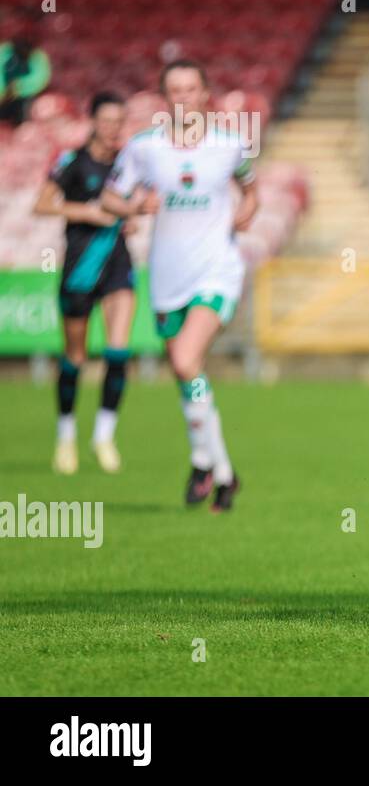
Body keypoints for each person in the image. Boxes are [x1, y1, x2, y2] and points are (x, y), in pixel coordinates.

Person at [100, 61, 259, 512]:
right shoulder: (144, 148)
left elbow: (250, 186)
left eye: (191, 88)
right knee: (185, 372)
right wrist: (133, 207)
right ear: (164, 97)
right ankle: (218, 469)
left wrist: (249, 207)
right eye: (175, 90)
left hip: (216, 269)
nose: (183, 97)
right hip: (167, 275)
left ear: (206, 93)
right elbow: (111, 196)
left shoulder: (229, 145)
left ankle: (207, 465)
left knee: (186, 358)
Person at [33, 92, 135, 475]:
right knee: (75, 357)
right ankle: (65, 437)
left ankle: (104, 436)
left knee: (118, 349)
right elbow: (41, 204)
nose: (113, 129)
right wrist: (86, 212)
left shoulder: (127, 163)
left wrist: (131, 216)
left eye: (118, 121)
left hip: (117, 262)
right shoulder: (72, 161)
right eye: (107, 120)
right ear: (93, 121)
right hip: (79, 266)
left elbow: (133, 201)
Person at [0, 29, 52, 126]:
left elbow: (40, 78)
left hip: (24, 96)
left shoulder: (38, 57)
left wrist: (18, 87)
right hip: (4, 94)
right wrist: (3, 90)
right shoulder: (4, 52)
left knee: (23, 114)